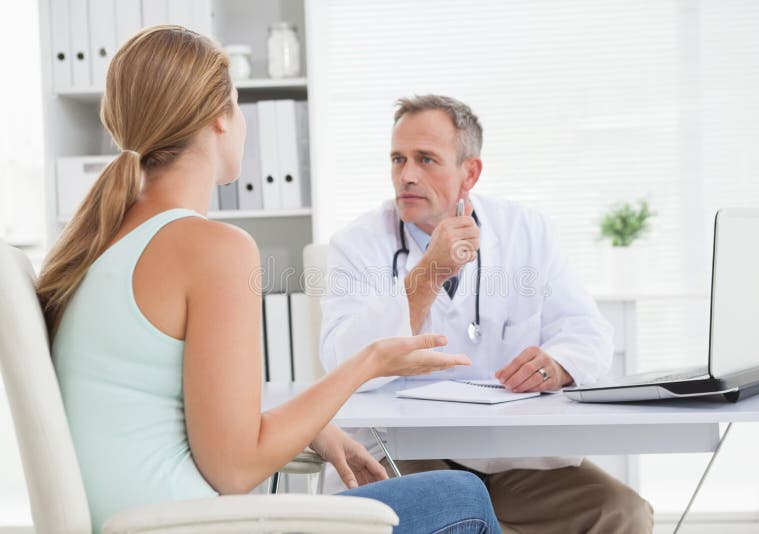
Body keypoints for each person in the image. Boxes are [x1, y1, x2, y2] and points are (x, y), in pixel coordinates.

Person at [36, 27, 501, 534]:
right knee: (464, 496)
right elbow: (234, 468)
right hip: (192, 525)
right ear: (218, 118)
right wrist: (369, 362)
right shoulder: (212, 247)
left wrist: (315, 427)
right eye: (237, 106)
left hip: (152, 520)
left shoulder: (103, 243)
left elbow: (194, 417)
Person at [320, 94, 654, 533]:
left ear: (469, 173)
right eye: (398, 159)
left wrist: (557, 364)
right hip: (408, 451)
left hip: (516, 455)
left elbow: (587, 331)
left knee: (622, 512)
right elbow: (342, 361)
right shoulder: (357, 243)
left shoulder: (528, 231)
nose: (407, 175)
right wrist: (430, 272)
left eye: (426, 159)